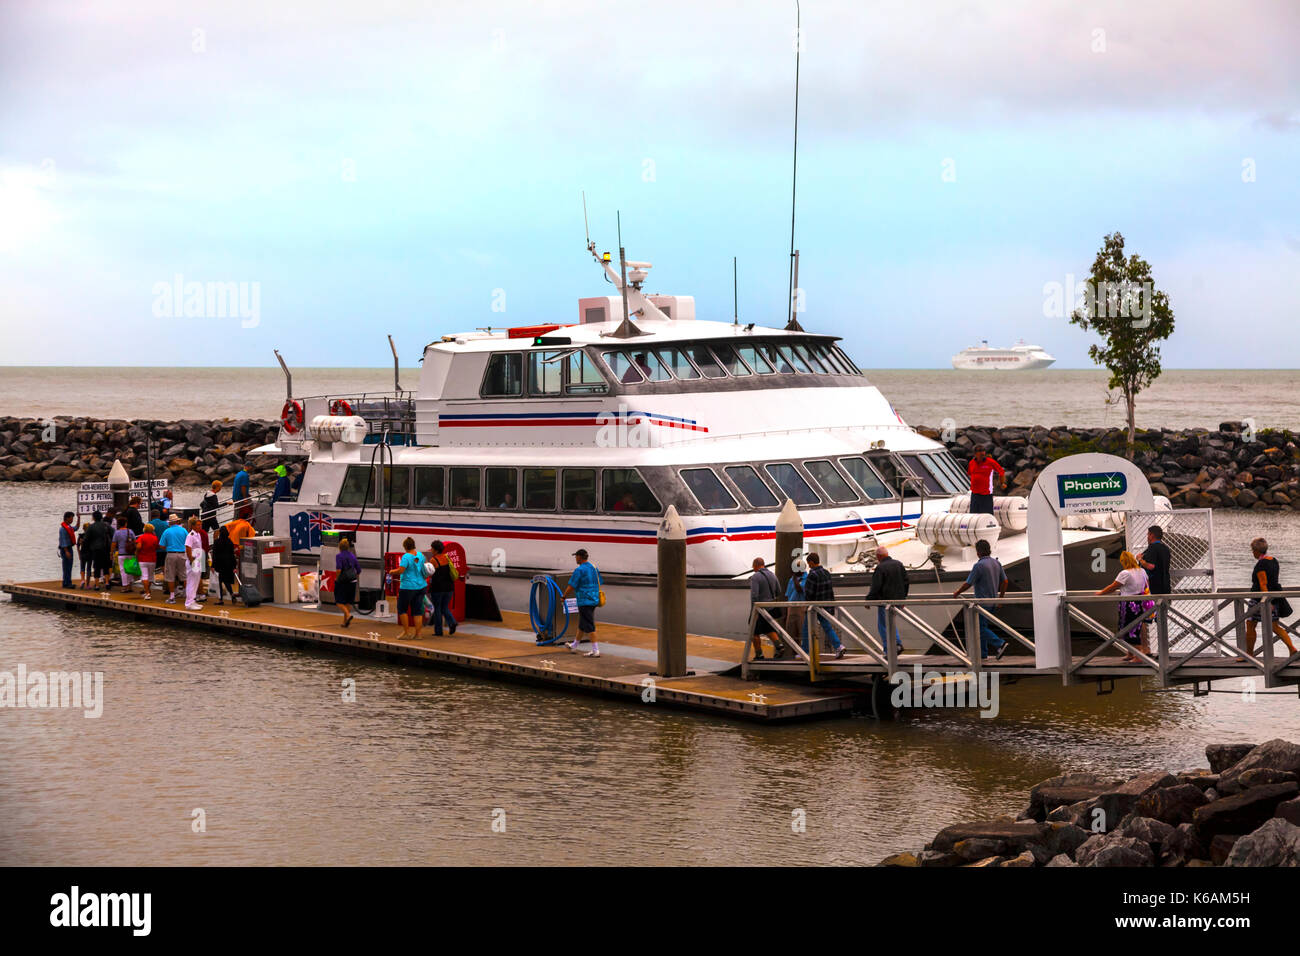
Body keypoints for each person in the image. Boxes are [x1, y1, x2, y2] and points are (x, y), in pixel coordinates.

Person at [1241, 537, 1298, 659]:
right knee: (1275, 626)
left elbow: (1263, 584)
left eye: (1252, 550)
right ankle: (1292, 649)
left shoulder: (1261, 564)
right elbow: (1274, 580)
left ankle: (1249, 655)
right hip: (1275, 597)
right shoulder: (1274, 560)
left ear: (1256, 551)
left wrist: (1267, 602)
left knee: (1250, 624)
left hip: (1260, 599)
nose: (1252, 553)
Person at [954, 538, 1009, 659]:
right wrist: (1000, 599)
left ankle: (1000, 643)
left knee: (979, 628)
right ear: (989, 550)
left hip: (982, 603)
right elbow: (1005, 581)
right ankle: (983, 654)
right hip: (993, 603)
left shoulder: (979, 566)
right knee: (983, 627)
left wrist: (957, 592)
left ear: (978, 552)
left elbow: (968, 584)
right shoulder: (996, 563)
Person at [1095, 551, 1151, 663]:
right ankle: (1130, 653)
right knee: (1137, 626)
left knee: (1128, 628)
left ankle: (1138, 655)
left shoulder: (1125, 573)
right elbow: (1147, 584)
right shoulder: (1142, 571)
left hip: (1128, 603)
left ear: (1123, 561)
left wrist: (1101, 592)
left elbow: (1114, 586)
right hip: (1140, 601)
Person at [802, 553, 846, 659]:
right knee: (827, 627)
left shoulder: (812, 575)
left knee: (806, 628)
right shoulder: (826, 573)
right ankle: (838, 646)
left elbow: (809, 593)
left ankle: (805, 652)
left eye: (809, 563)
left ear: (812, 562)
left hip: (815, 607)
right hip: (826, 605)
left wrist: (806, 605)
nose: (809, 566)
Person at [867, 545, 909, 654]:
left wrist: (868, 600)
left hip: (884, 602)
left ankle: (888, 651)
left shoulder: (880, 568)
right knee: (892, 623)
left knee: (883, 626)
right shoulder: (899, 564)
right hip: (898, 600)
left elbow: (876, 586)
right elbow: (906, 582)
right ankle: (898, 644)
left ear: (878, 556)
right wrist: (903, 598)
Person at [387, 536, 429, 640]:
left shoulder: (406, 557)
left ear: (405, 546)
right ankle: (418, 634)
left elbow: (401, 570)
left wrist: (392, 571)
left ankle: (406, 632)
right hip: (421, 586)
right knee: (417, 610)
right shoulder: (420, 555)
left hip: (408, 587)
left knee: (402, 609)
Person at [564, 548, 602, 657]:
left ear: (580, 557)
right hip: (594, 599)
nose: (575, 558)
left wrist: (564, 596)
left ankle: (596, 650)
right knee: (582, 623)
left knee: (589, 625)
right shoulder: (594, 568)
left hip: (584, 600)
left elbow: (572, 585)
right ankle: (574, 645)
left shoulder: (579, 570)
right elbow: (599, 581)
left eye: (576, 556)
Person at [748, 557, 782, 660]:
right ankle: (779, 646)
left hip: (760, 609)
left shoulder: (755, 577)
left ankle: (759, 654)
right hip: (771, 608)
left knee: (753, 631)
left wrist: (754, 610)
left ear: (756, 565)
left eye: (753, 566)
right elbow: (779, 591)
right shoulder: (772, 575)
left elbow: (754, 595)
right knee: (768, 628)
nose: (753, 569)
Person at [427, 540, 459, 636]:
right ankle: (452, 622)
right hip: (449, 587)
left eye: (432, 548)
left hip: (438, 588)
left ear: (436, 550)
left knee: (437, 609)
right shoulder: (447, 557)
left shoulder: (433, 560)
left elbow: (429, 573)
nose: (431, 550)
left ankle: (438, 631)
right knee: (444, 607)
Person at [159, 514, 190, 604]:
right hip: (182, 554)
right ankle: (187, 594)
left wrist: (168, 548)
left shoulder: (167, 531)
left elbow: (161, 545)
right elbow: (188, 542)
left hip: (171, 554)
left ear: (170, 522)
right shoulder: (184, 530)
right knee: (184, 575)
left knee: (170, 575)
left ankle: (172, 596)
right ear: (177, 521)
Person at [966, 445, 1005, 515]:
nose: (982, 453)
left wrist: (1002, 483)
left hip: (986, 494)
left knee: (987, 515)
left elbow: (1001, 471)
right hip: (974, 494)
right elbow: (969, 474)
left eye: (983, 450)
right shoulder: (971, 463)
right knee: (974, 515)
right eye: (980, 451)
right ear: (975, 453)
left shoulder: (990, 462)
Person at [333, 536, 360, 627]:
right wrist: (353, 577)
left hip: (343, 582)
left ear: (339, 547)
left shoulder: (339, 556)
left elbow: (339, 570)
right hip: (353, 581)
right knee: (348, 602)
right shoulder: (352, 555)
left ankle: (348, 615)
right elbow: (358, 569)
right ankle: (345, 622)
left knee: (339, 601)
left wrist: (337, 578)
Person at [83, 510, 113, 591]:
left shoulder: (91, 527)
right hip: (106, 548)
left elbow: (86, 539)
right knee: (106, 566)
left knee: (97, 566)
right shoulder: (106, 525)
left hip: (96, 549)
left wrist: (87, 547)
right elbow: (113, 534)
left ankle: (96, 585)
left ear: (93, 518)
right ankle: (107, 582)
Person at [1140, 525, 1172, 596]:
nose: (1147, 537)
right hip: (1165, 585)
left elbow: (1151, 566)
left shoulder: (1152, 548)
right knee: (1164, 606)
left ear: (1152, 535)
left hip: (1154, 587)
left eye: (1148, 534)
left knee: (1153, 606)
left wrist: (1140, 560)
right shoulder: (1166, 549)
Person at [211, 526, 237, 606]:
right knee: (226, 581)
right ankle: (232, 594)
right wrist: (234, 567)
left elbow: (214, 555)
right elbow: (233, 555)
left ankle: (220, 599)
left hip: (220, 565)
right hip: (228, 565)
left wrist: (213, 566)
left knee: (219, 582)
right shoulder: (230, 542)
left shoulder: (217, 542)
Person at [183, 517, 205, 611]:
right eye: (198, 525)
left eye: (200, 525)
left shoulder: (198, 534)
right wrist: (191, 560)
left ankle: (192, 600)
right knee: (191, 582)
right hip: (193, 560)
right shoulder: (190, 535)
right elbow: (188, 548)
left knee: (196, 582)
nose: (200, 526)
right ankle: (188, 602)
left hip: (198, 559)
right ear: (192, 526)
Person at [111, 520, 138, 594]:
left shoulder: (117, 532)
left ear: (119, 524)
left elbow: (113, 543)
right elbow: (135, 542)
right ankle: (130, 586)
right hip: (130, 553)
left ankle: (125, 587)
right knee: (130, 570)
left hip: (122, 554)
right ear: (126, 524)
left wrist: (111, 553)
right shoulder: (130, 531)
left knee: (123, 571)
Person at [134, 521, 158, 599]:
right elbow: (157, 547)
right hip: (152, 559)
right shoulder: (155, 537)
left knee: (144, 576)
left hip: (143, 559)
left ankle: (147, 593)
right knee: (150, 576)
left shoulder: (142, 537)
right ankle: (147, 590)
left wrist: (136, 553)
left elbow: (138, 547)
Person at [58, 512, 78, 588]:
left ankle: (67, 582)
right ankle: (67, 583)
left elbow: (76, 528)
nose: (72, 519)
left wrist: (79, 519)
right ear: (67, 518)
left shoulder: (69, 527)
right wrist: (66, 551)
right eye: (71, 518)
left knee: (69, 566)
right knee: (66, 566)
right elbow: (63, 541)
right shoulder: (63, 529)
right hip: (65, 549)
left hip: (69, 548)